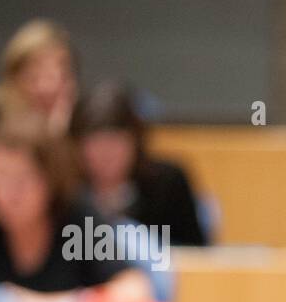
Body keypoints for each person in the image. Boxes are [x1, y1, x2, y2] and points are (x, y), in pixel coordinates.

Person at [0, 118, 153, 302]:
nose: (9, 194)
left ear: (51, 180)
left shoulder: (78, 220)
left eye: (22, 180)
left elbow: (134, 290)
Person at [71, 81, 208, 246]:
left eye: (115, 141)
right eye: (95, 143)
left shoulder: (168, 183)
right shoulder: (67, 191)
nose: (106, 154)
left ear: (136, 141)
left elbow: (196, 254)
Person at [0, 19, 79, 133]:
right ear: (13, 77)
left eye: (58, 78)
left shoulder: (81, 125)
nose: (47, 88)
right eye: (34, 78)